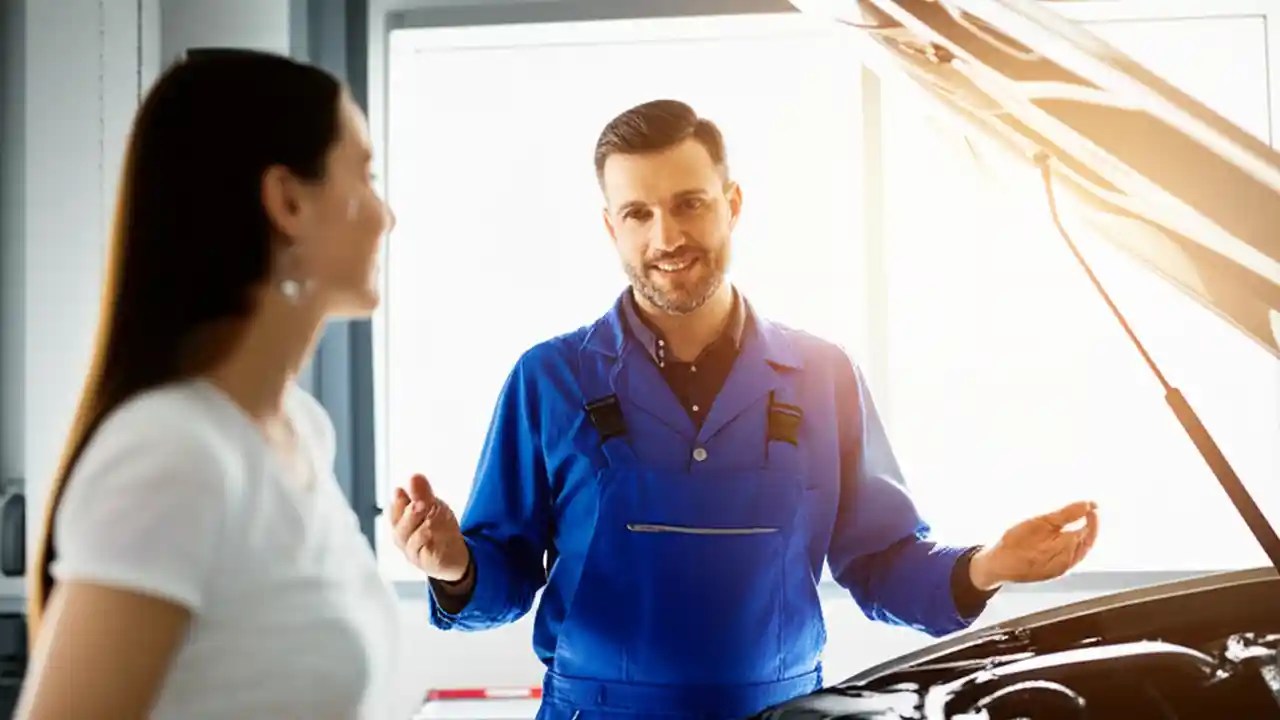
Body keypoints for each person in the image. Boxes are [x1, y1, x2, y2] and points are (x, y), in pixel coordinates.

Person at [389, 99, 1100, 720]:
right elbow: (503, 573)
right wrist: (455, 566)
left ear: (732, 203)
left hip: (780, 712)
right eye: (639, 213)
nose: (666, 237)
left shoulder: (823, 375)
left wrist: (990, 564)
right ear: (611, 227)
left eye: (689, 203)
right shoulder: (549, 378)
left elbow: (881, 563)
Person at [17, 50, 416, 720]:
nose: (386, 216)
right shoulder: (172, 451)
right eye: (366, 176)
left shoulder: (304, 430)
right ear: (288, 200)